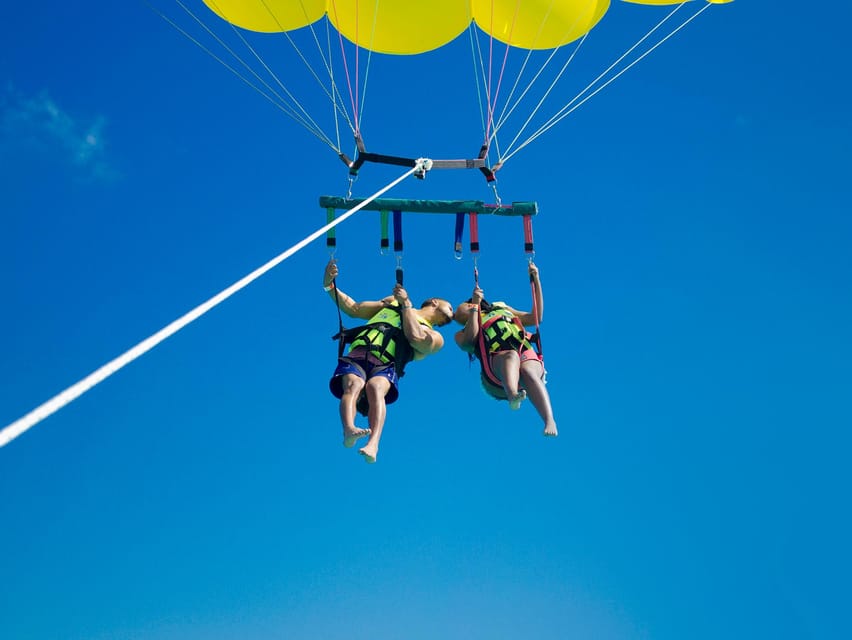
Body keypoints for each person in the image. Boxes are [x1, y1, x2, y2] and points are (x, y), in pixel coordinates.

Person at [323, 258, 453, 463]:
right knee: (353, 384)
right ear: (435, 302)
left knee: (375, 388)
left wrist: (406, 305)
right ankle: (349, 429)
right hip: (360, 350)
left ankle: (373, 444)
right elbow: (355, 309)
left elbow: (416, 338)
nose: (452, 314)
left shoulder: (436, 337)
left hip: (386, 363)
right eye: (450, 308)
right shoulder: (391, 303)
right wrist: (330, 285)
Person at [453, 262, 558, 437]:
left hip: (523, 350)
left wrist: (536, 280)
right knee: (510, 355)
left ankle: (549, 419)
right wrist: (474, 310)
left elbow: (536, 317)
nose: (455, 315)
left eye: (458, 309)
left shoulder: (503, 309)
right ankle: (512, 394)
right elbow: (468, 341)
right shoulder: (461, 332)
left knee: (528, 372)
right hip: (496, 370)